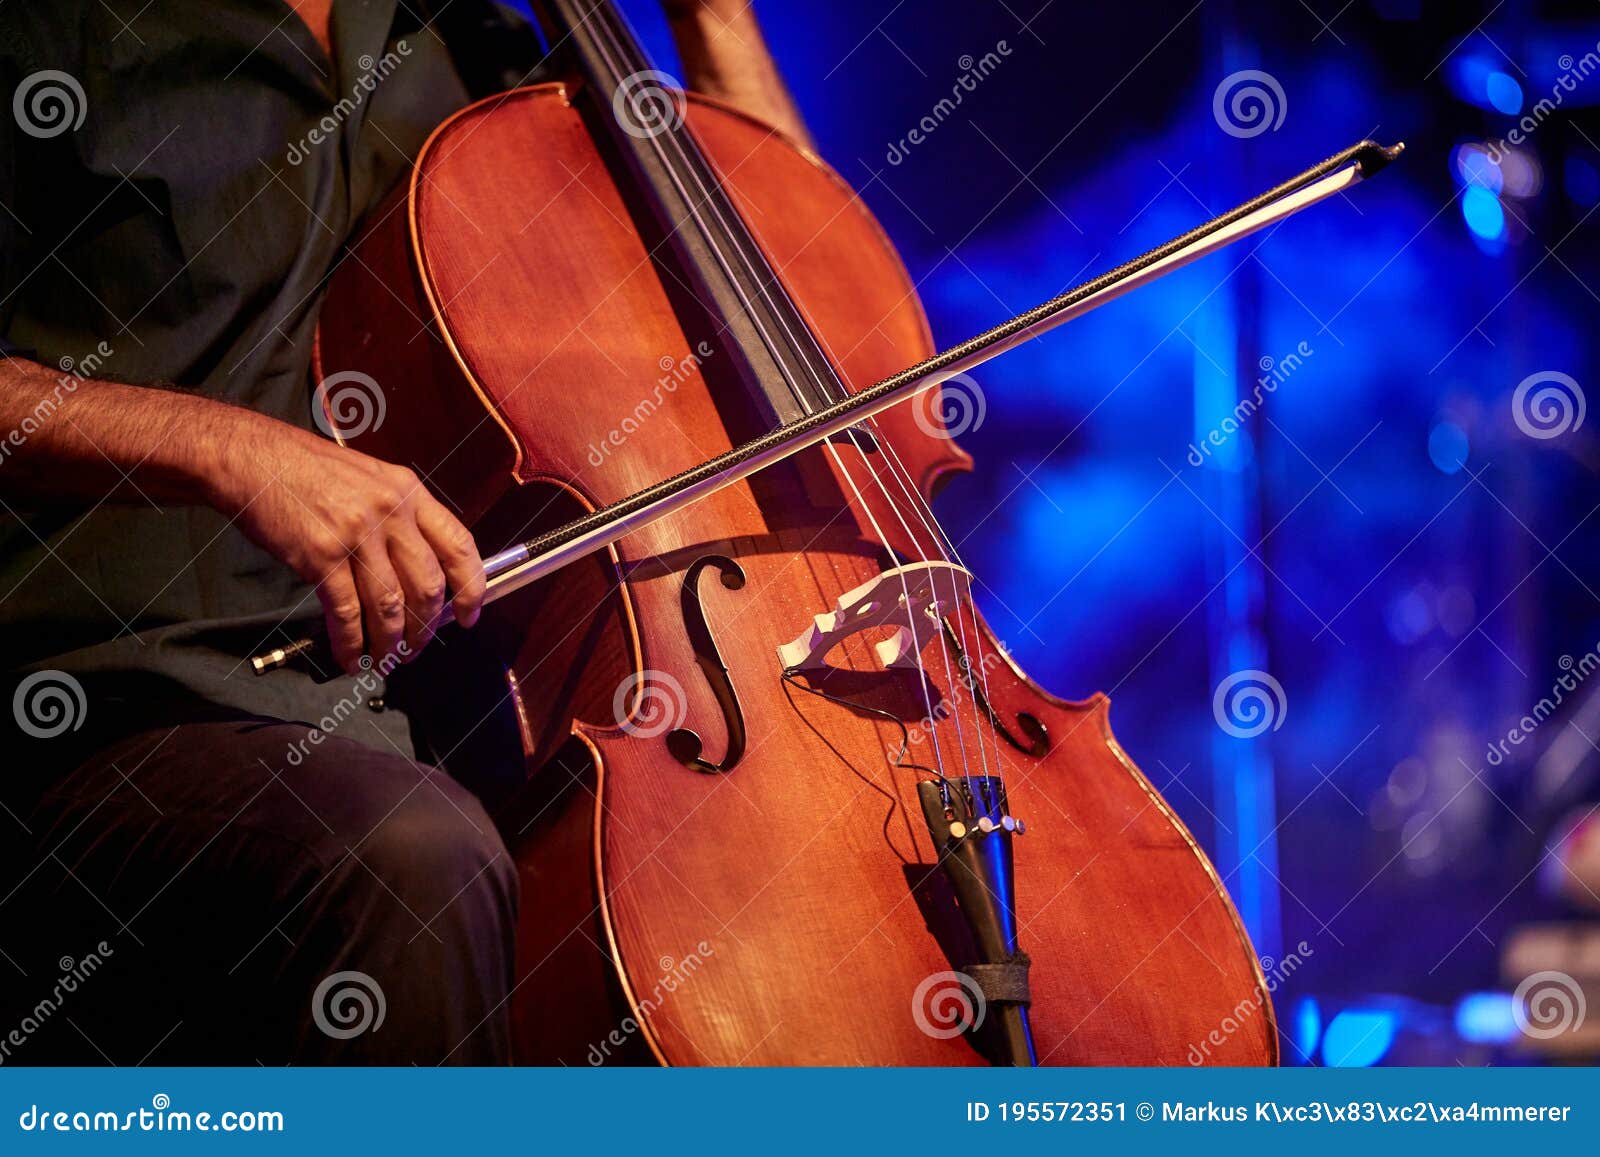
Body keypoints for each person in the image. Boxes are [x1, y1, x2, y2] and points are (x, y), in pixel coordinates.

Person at [0, 0, 811, 1064]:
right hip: (117, 703)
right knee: (413, 859)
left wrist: (713, 22)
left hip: (457, 707)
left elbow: (796, 284)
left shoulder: (475, 45)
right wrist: (227, 449)